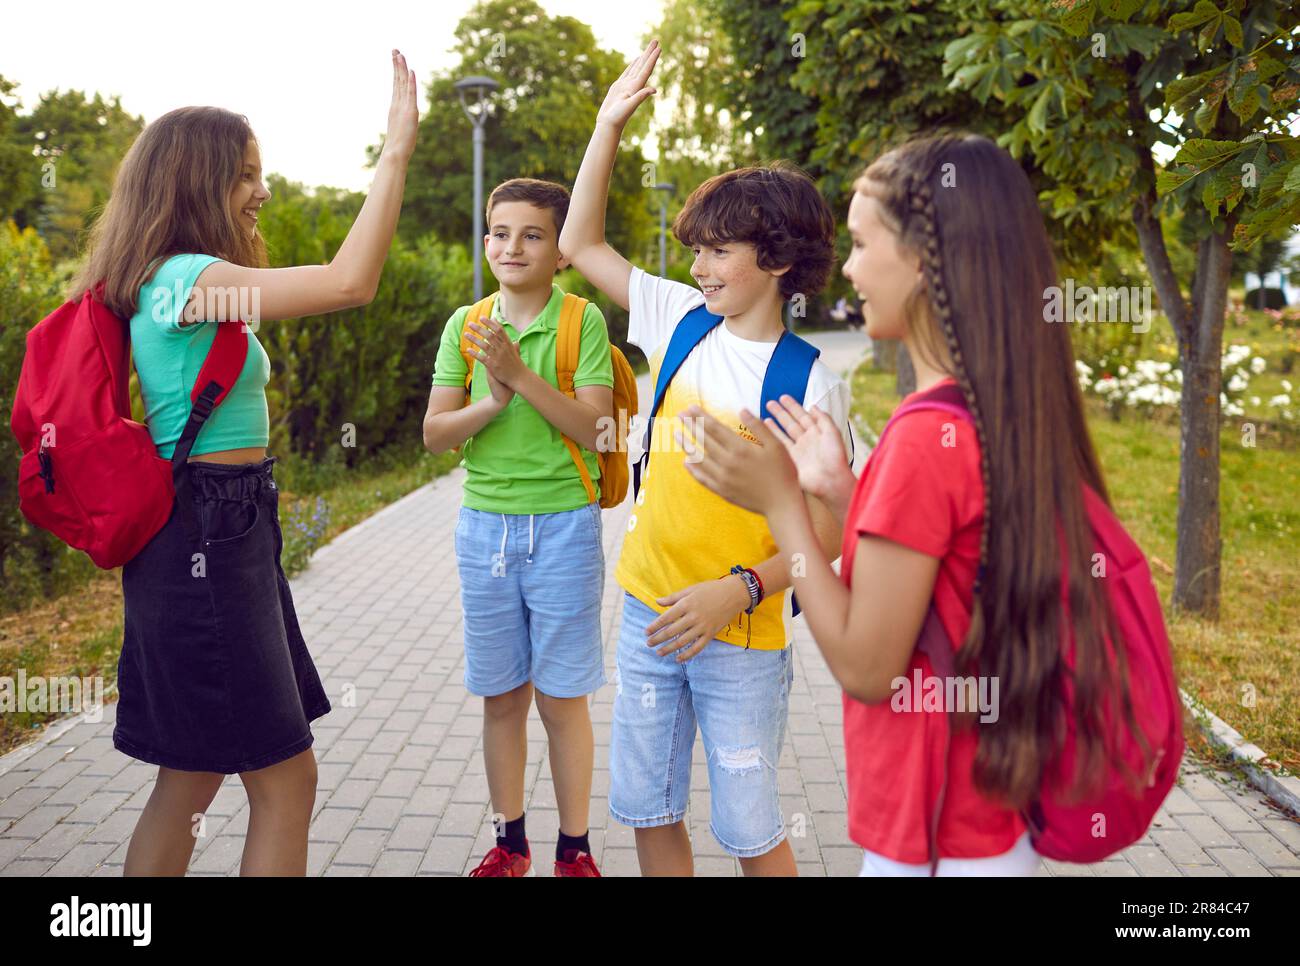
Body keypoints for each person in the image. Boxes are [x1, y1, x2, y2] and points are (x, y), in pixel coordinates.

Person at [679, 132, 1146, 876]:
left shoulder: (927, 437)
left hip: (935, 831)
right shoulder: (994, 408)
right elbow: (958, 573)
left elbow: (867, 666)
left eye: (863, 244)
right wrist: (847, 492)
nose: (848, 269)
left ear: (928, 259)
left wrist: (784, 506)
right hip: (991, 817)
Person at [68, 51, 420, 875]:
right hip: (207, 534)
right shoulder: (186, 281)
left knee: (189, 777)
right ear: (197, 181)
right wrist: (394, 151)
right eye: (246, 175)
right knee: (283, 781)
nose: (262, 188)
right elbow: (348, 283)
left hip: (221, 528)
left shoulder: (172, 279)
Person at [561, 41, 853, 876]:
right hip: (652, 615)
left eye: (721, 250)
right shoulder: (680, 318)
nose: (700, 265)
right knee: (651, 809)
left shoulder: (808, 380)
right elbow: (581, 244)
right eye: (698, 249)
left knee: (752, 829)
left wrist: (743, 589)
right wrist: (607, 124)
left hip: (743, 633)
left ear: (780, 261)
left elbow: (829, 529)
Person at [423, 178, 615, 877]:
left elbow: (597, 429)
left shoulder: (579, 322)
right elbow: (436, 434)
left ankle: (575, 848)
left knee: (563, 699)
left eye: (532, 235)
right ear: (485, 241)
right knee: (502, 697)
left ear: (560, 251)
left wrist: (516, 373)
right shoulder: (465, 324)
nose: (513, 246)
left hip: (564, 527)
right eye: (500, 232)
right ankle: (510, 842)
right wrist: (490, 401)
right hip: (486, 532)